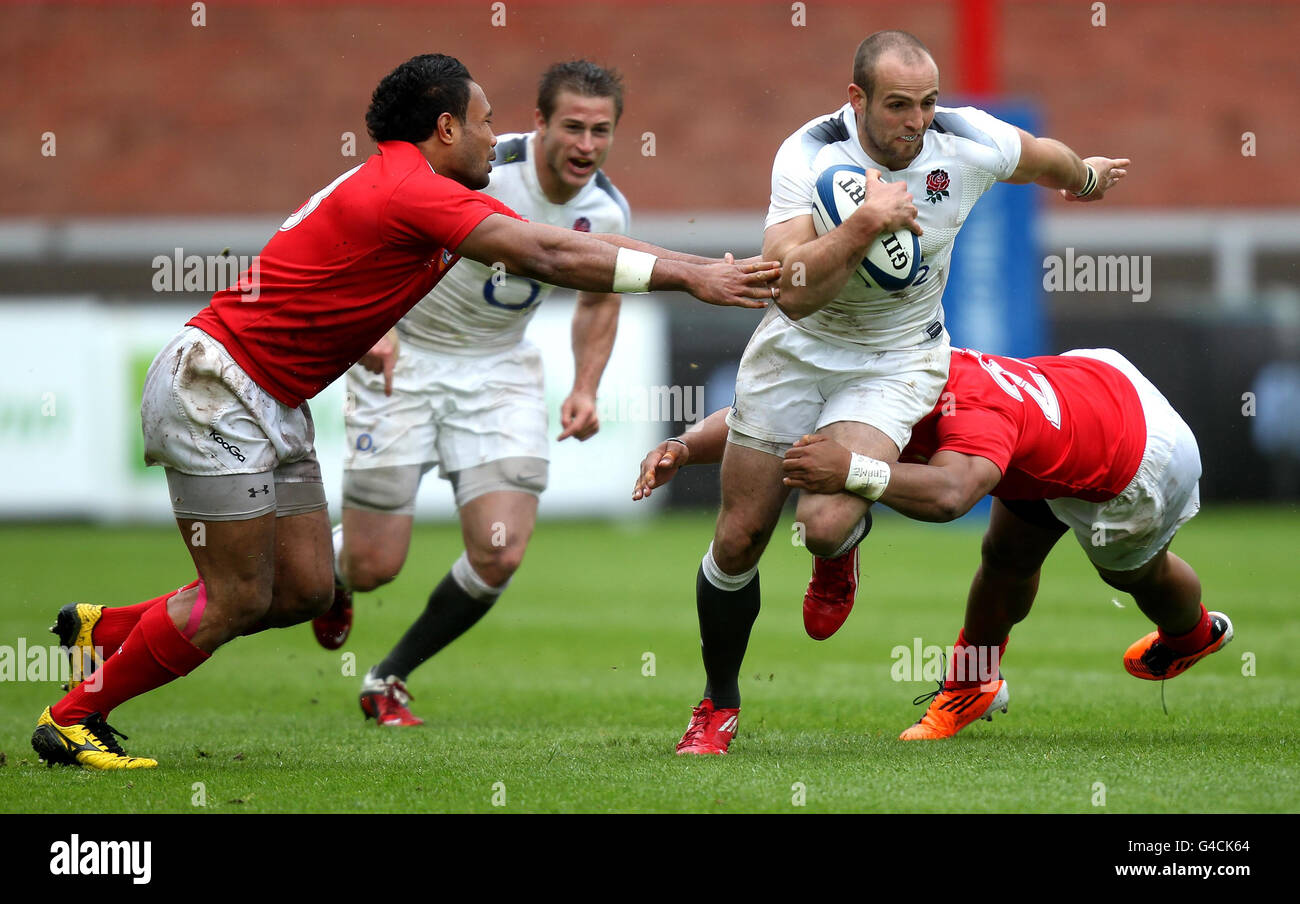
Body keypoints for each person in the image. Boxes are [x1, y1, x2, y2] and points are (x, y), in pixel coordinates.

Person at [32, 52, 780, 770]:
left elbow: (548, 249)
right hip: (216, 389)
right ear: (447, 128)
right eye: (486, 121)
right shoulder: (413, 189)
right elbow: (548, 255)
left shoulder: (410, 182)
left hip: (272, 396)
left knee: (306, 589)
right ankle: (70, 720)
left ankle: (113, 629)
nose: (498, 135)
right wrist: (691, 271)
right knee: (235, 597)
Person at [669, 29, 1128, 754]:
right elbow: (789, 291)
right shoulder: (809, 153)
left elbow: (1045, 158)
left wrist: (1089, 178)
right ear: (856, 101)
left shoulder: (965, 140)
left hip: (894, 360)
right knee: (739, 538)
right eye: (897, 106)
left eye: (927, 103)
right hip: (795, 350)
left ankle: (838, 548)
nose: (916, 122)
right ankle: (717, 706)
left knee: (821, 521)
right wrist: (861, 227)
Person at [636, 347, 1232, 746]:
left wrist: (851, 470)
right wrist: (685, 447)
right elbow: (769, 419)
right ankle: (973, 684)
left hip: (1133, 458)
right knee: (1006, 560)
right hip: (1080, 390)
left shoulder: (971, 418)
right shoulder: (897, 375)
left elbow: (950, 497)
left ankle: (1192, 633)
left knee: (1136, 579)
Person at [317, 61, 633, 727]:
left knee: (500, 551)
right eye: (572, 126)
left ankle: (388, 677)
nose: (586, 144)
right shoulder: (479, 165)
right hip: (403, 355)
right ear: (539, 121)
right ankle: (334, 577)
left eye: (601, 131)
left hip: (498, 372)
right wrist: (367, 323)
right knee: (376, 565)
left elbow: (599, 301)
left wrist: (584, 387)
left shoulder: (604, 210)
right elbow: (371, 216)